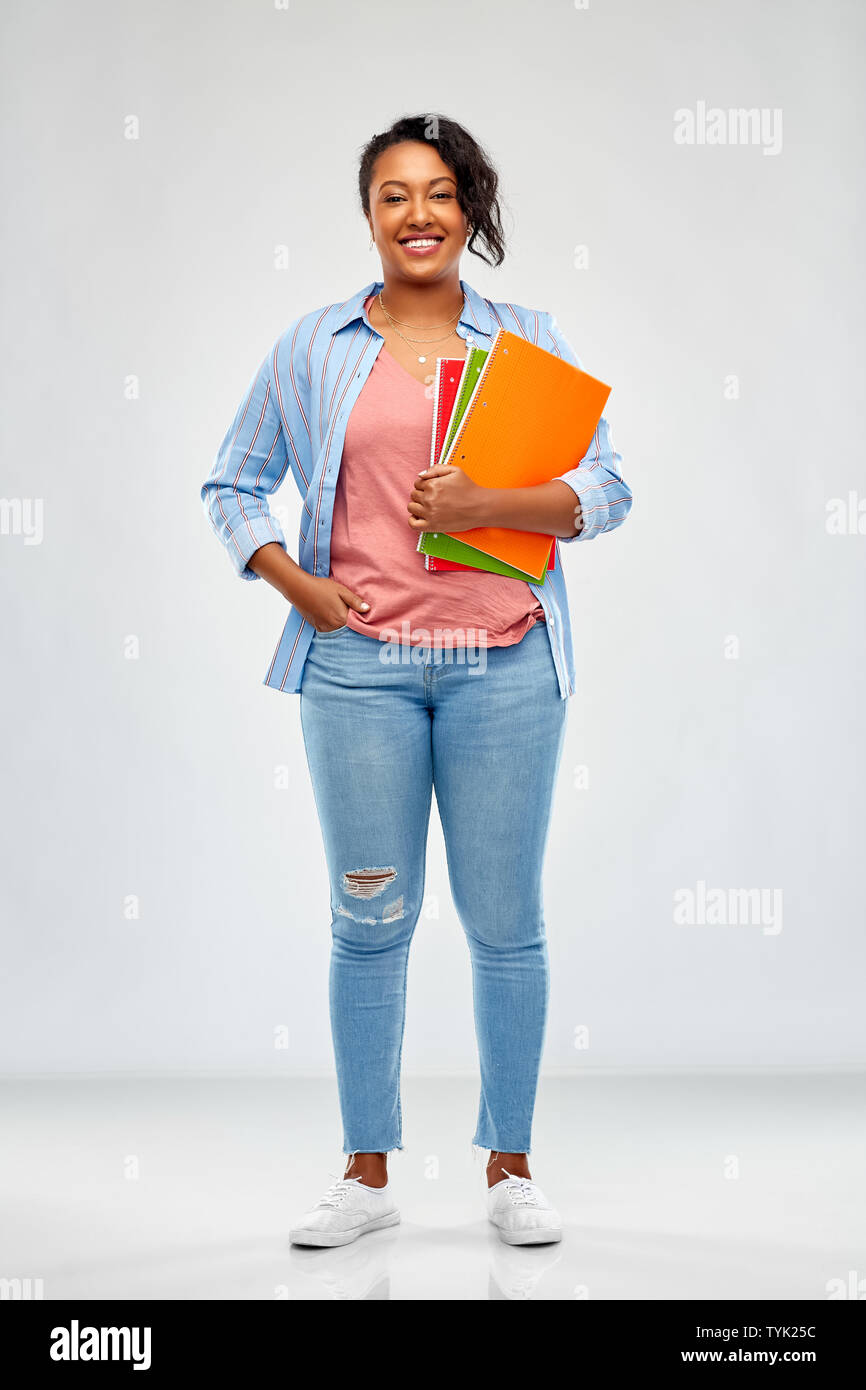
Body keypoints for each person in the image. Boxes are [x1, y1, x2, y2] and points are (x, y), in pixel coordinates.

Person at [201, 113, 632, 1248]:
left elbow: (608, 491)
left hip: (502, 668)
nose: (418, 215)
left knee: (504, 924)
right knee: (368, 919)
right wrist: (296, 584)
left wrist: (489, 504)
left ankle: (508, 1169)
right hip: (358, 673)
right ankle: (364, 1174)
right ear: (368, 214)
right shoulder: (312, 346)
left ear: (468, 208)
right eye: (394, 195)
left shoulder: (526, 340)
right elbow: (231, 484)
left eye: (438, 193)